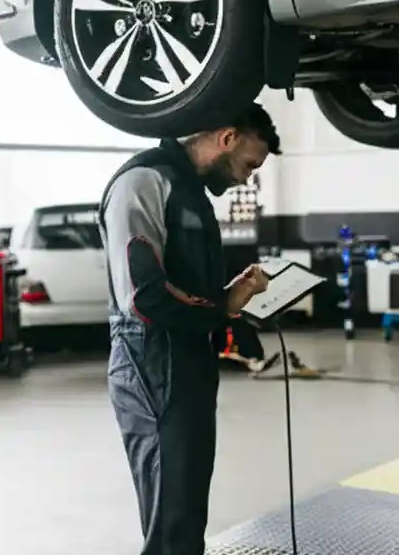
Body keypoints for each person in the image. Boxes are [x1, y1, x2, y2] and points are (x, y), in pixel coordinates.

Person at [98, 102, 281, 555]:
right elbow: (146, 298)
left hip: (186, 358)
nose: (246, 178)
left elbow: (180, 286)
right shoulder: (144, 182)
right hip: (152, 361)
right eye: (248, 164)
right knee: (172, 513)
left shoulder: (189, 190)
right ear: (227, 138)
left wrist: (229, 297)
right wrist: (219, 307)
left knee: (186, 503)